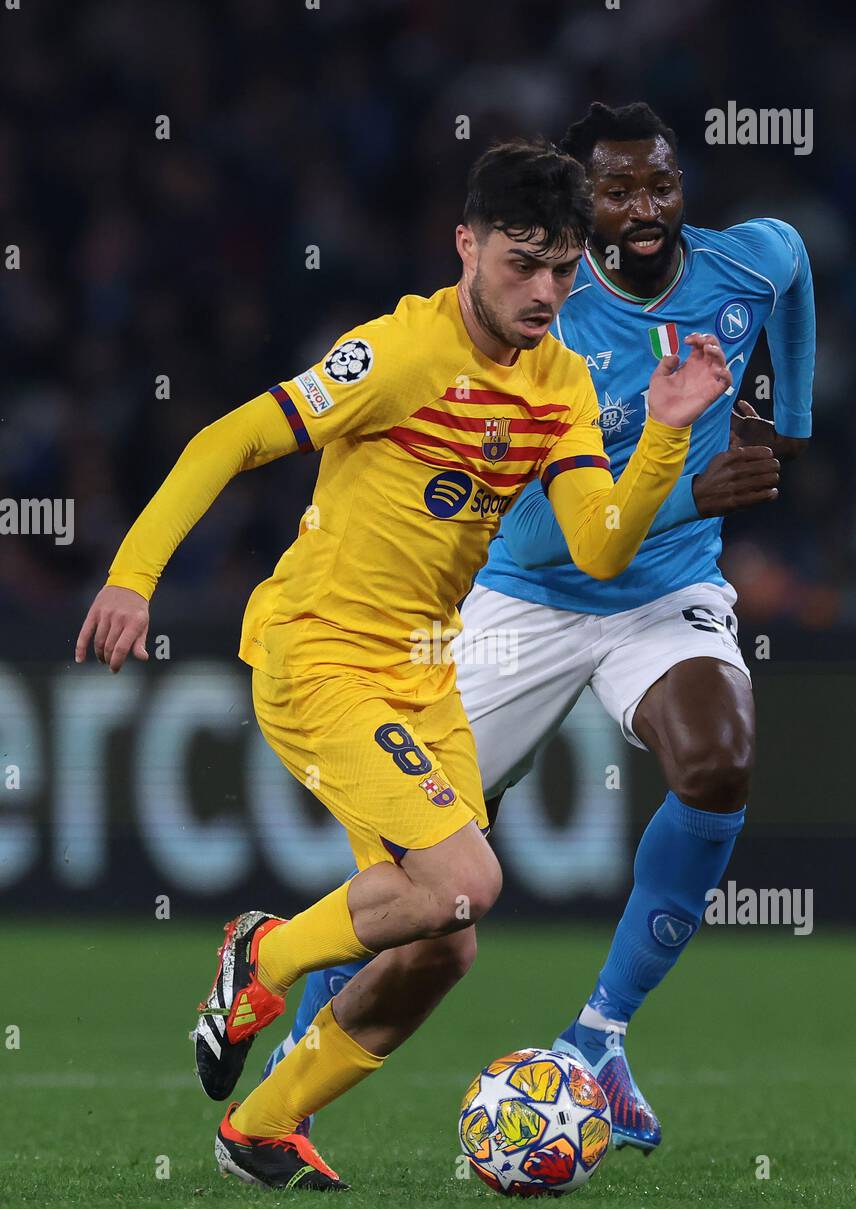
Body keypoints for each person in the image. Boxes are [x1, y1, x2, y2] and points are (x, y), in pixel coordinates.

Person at [74, 137, 732, 1190]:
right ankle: (264, 958)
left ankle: (261, 1125)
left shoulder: (559, 381)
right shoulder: (396, 353)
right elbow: (228, 439)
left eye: (563, 267)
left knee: (443, 939)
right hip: (319, 652)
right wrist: (131, 577)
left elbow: (600, 544)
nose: (545, 289)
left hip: (423, 670)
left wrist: (658, 436)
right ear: (465, 245)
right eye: (521, 261)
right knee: (466, 878)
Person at [277, 101, 815, 1156]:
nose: (644, 208)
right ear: (580, 206)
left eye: (658, 184)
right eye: (616, 191)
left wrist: (785, 423)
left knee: (719, 760)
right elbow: (540, 520)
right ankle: (296, 1054)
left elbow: (793, 268)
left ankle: (600, 1038)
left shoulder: (744, 265)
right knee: (420, 868)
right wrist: (694, 492)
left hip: (664, 599)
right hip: (523, 595)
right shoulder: (546, 323)